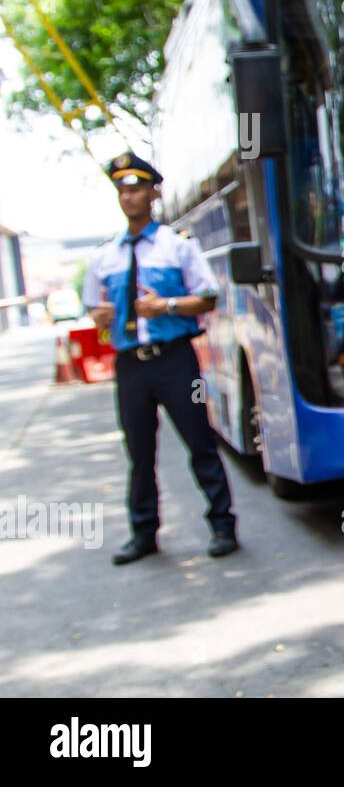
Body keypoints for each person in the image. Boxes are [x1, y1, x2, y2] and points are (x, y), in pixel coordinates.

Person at [82, 152, 238, 565]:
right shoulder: (104, 256)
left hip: (175, 359)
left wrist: (166, 305)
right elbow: (93, 308)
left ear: (153, 193)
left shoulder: (177, 246)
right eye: (122, 190)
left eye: (135, 188)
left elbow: (207, 297)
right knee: (139, 453)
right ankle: (144, 533)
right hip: (131, 364)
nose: (128, 196)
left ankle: (223, 525)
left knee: (199, 442)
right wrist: (99, 314)